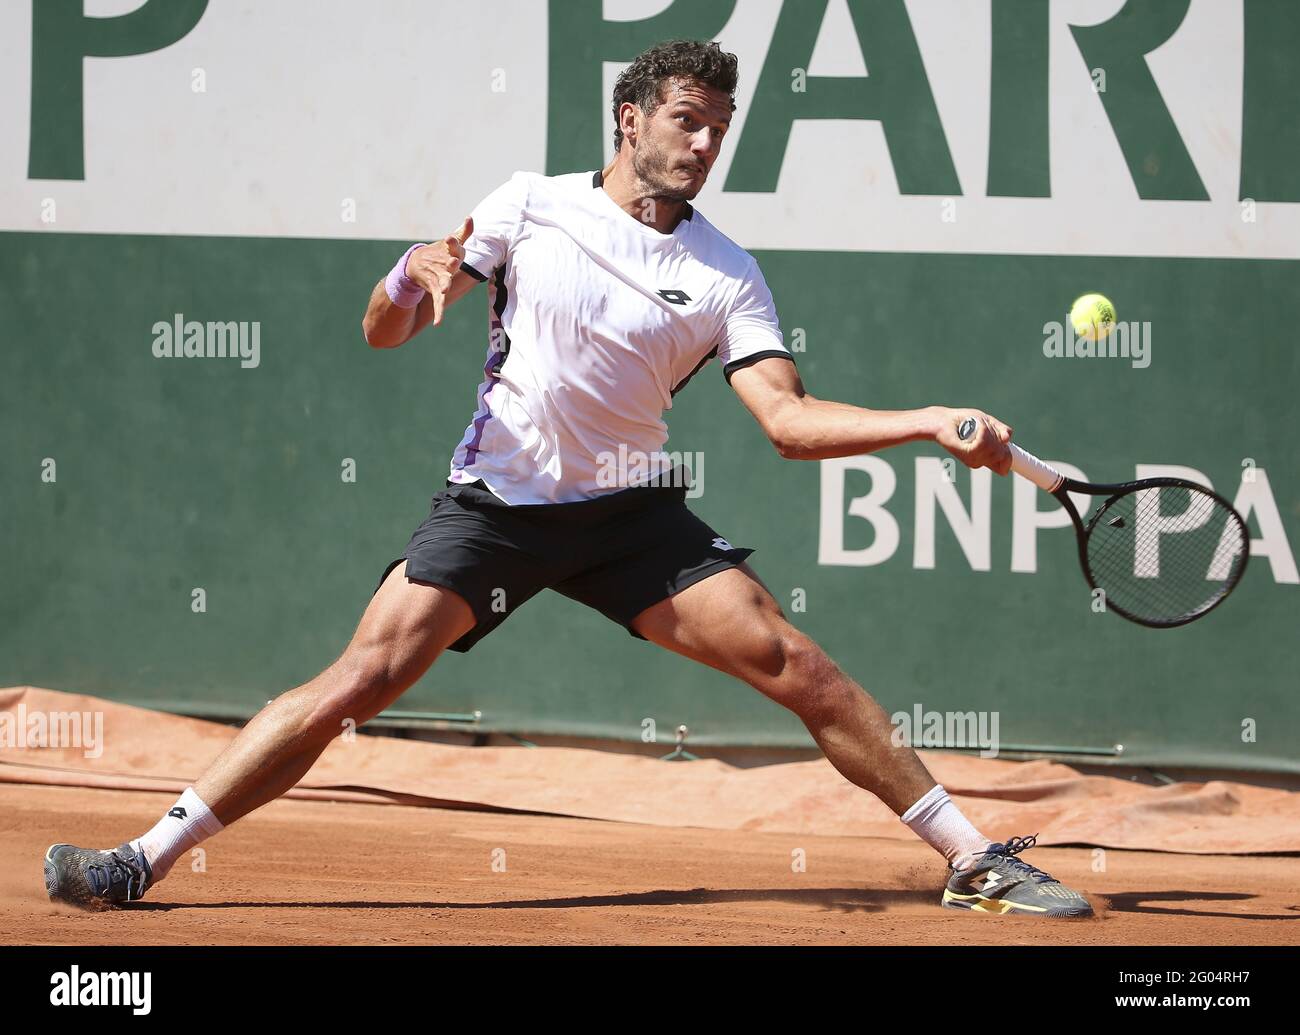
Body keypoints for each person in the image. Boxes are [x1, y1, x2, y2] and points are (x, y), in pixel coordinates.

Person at [45, 39, 1091, 919]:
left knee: (797, 665)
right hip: (496, 509)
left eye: (720, 126)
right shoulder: (529, 206)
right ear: (629, 120)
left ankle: (971, 859)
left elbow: (784, 421)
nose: (706, 142)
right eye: (687, 119)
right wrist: (410, 275)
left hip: (629, 516)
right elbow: (383, 332)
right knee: (354, 685)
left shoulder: (728, 272)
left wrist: (921, 421)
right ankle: (140, 858)